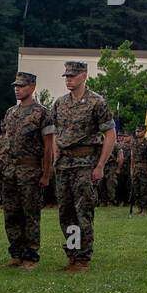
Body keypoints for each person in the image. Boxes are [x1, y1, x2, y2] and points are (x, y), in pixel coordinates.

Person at [50, 61, 116, 272]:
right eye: (67, 76)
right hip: (64, 165)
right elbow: (55, 134)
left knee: (83, 212)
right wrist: (55, 156)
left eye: (73, 75)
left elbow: (110, 134)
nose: (69, 79)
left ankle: (83, 258)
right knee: (66, 213)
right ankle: (72, 254)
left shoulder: (97, 103)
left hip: (85, 164)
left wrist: (100, 165)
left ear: (84, 76)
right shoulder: (60, 103)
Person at [0, 71, 54, 269]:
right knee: (11, 213)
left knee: (29, 214)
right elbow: (5, 142)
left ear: (32, 87)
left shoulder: (42, 113)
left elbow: (48, 146)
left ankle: (30, 256)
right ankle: (16, 253)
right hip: (10, 171)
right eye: (16, 85)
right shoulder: (10, 113)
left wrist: (46, 173)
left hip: (30, 170)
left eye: (21, 86)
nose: (17, 89)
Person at [129, 125, 147, 215]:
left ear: (144, 132)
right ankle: (139, 207)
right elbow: (132, 157)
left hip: (145, 168)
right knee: (136, 189)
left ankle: (145, 209)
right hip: (136, 168)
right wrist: (132, 168)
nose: (137, 133)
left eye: (139, 131)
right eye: (136, 131)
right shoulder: (133, 143)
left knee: (144, 189)